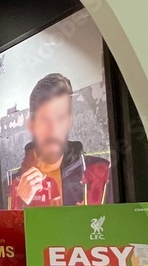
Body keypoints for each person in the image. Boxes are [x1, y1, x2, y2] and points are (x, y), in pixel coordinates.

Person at [10, 73, 110, 208]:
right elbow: (1, 228)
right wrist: (21, 201)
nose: (53, 129)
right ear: (32, 124)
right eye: (45, 119)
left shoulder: (101, 173)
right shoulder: (11, 184)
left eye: (60, 117)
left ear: (70, 120)